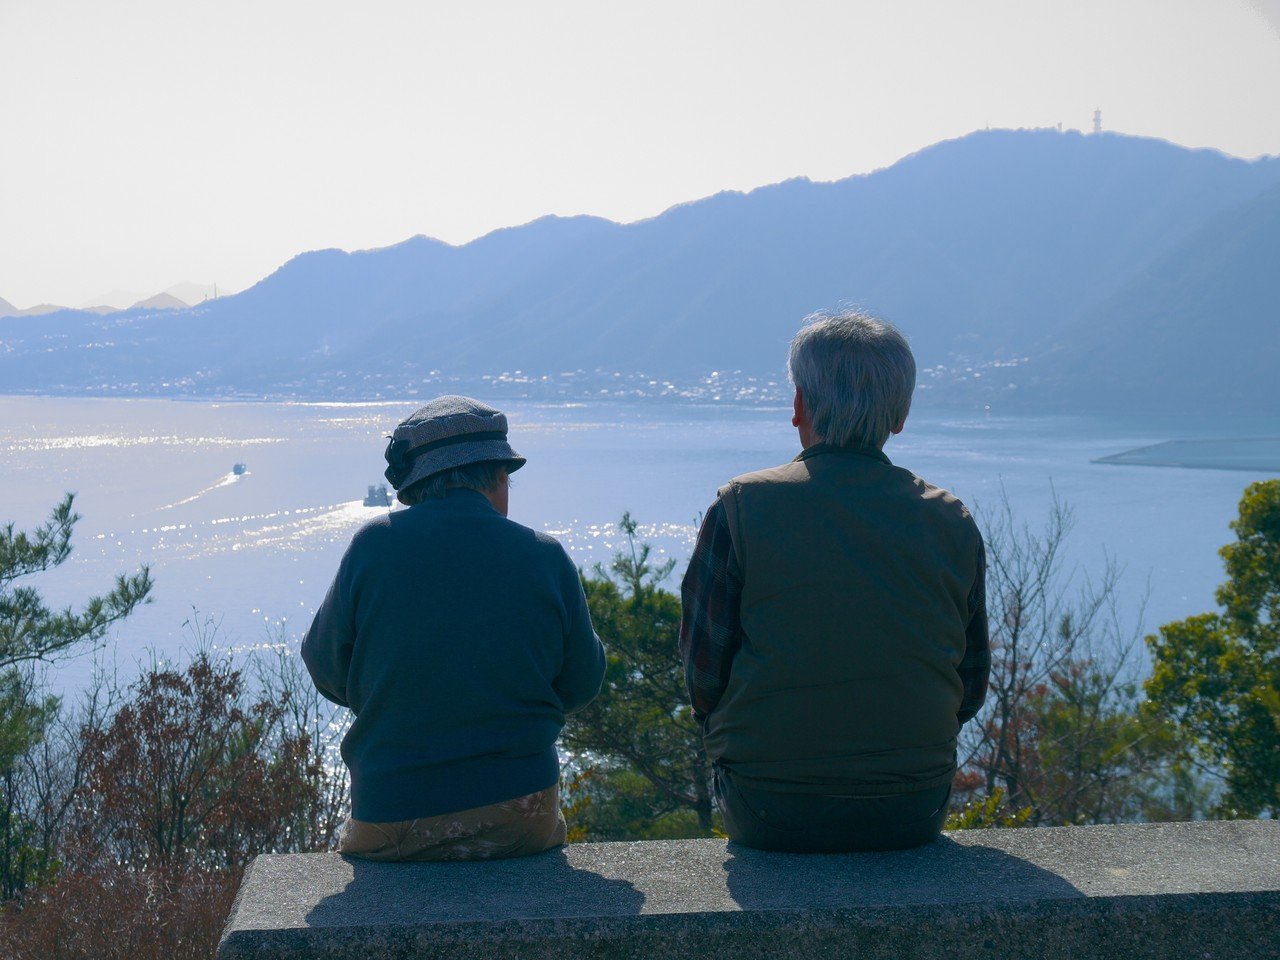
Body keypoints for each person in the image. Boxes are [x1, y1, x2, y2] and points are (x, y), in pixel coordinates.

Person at [680, 311, 989, 853]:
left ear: (799, 403)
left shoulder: (742, 507)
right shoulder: (949, 519)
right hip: (914, 805)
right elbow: (970, 682)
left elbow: (703, 677)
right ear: (901, 415)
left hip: (767, 804)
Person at [303, 395, 605, 862]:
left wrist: (390, 697)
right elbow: (582, 682)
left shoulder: (373, 547)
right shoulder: (544, 556)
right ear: (499, 478)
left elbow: (323, 665)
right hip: (521, 815)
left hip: (392, 813)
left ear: (417, 486)